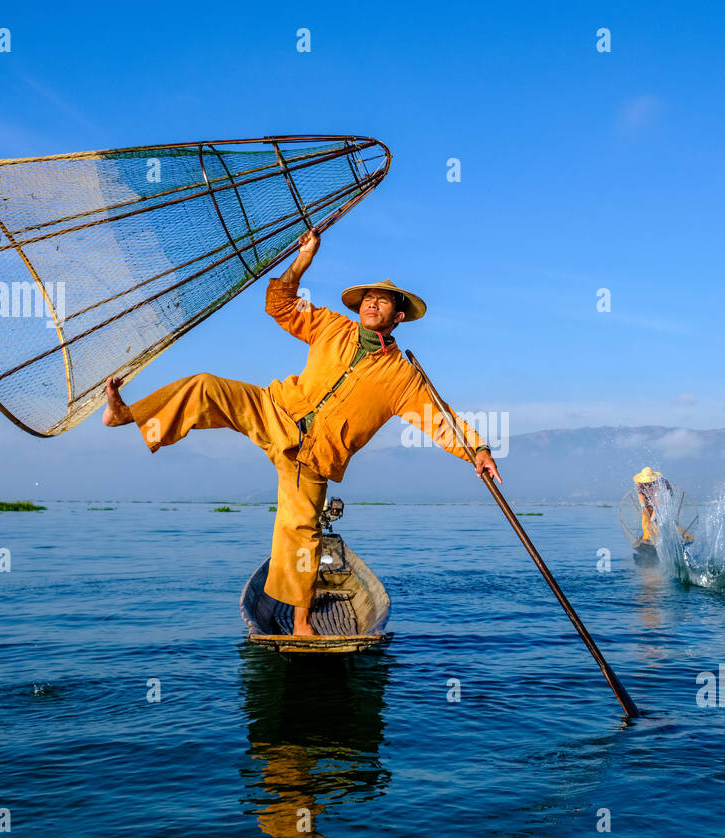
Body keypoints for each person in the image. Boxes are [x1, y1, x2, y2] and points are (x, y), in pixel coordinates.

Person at [102, 229, 501, 635]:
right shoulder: (331, 326)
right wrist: (302, 261)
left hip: (314, 457)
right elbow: (280, 305)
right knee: (205, 385)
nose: (373, 302)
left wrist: (478, 450)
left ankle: (301, 623)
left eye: (384, 300)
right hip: (275, 411)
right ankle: (127, 415)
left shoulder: (403, 377)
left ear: (398, 317)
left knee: (300, 532)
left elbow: (441, 420)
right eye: (369, 297)